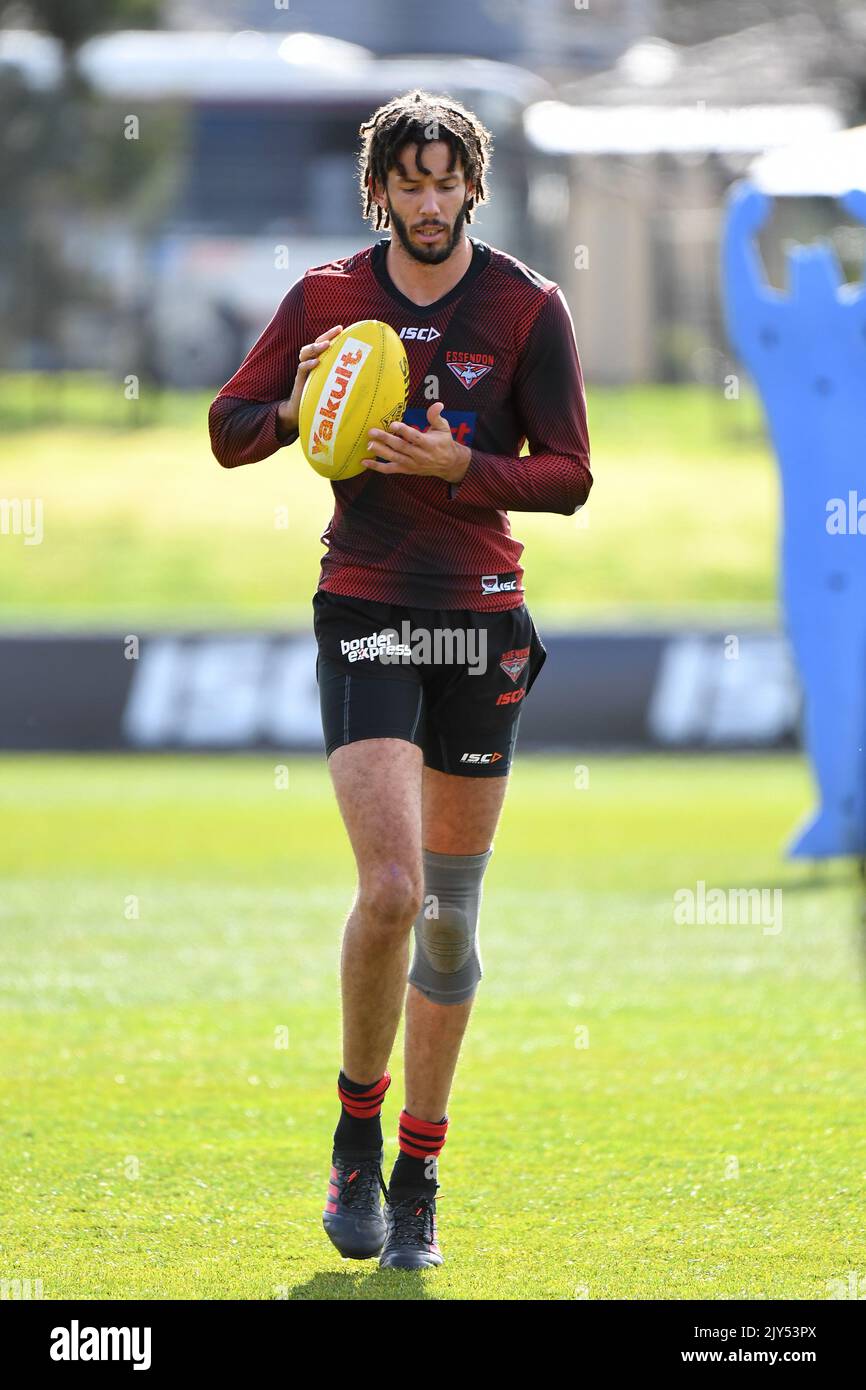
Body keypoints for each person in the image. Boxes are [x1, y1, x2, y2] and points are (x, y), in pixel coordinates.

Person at [209, 90, 591, 1271]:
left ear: (470, 186)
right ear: (376, 191)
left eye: (445, 184)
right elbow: (226, 429)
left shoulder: (526, 306)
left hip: (480, 625)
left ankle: (417, 1174)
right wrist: (292, 406)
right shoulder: (325, 299)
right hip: (368, 605)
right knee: (388, 888)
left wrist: (461, 466)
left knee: (447, 918)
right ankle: (353, 1131)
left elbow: (570, 474)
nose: (427, 205)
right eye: (406, 185)